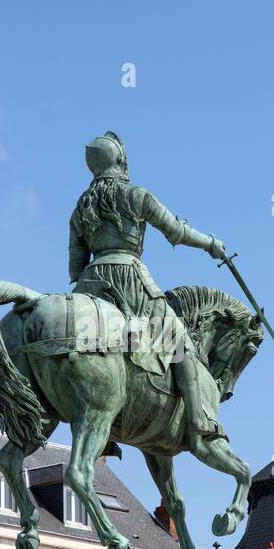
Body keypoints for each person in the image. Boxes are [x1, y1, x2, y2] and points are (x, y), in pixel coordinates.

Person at [68, 131, 228, 439]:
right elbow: (177, 232)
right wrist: (210, 244)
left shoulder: (81, 208)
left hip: (90, 285)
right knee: (179, 339)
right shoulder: (136, 196)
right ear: (120, 161)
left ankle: (102, 436)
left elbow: (75, 267)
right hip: (130, 280)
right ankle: (199, 418)